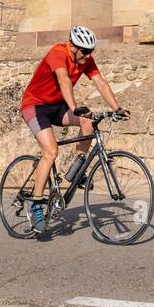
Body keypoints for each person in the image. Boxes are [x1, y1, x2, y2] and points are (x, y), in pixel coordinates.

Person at [19, 25, 127, 234]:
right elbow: (64, 80)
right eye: (84, 52)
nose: (87, 57)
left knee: (88, 121)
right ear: (72, 46)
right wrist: (75, 107)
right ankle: (36, 205)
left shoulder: (85, 59)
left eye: (91, 52)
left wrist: (117, 108)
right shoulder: (58, 53)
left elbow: (101, 83)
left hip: (57, 106)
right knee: (50, 152)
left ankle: (76, 169)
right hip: (35, 106)